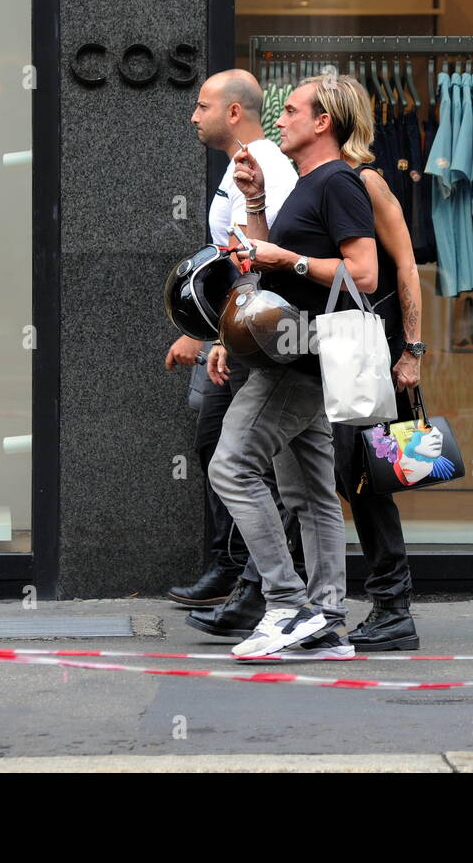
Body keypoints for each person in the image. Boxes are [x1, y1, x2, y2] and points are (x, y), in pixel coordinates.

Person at [189, 76, 427, 650]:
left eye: (291, 110)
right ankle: (323, 618)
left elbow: (364, 274)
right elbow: (266, 265)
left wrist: (287, 258)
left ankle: (287, 605)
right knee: (313, 493)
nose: (281, 119)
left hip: (301, 354)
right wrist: (252, 204)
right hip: (296, 347)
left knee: (231, 466)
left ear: (323, 122)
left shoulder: (341, 182)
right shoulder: (307, 183)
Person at [163, 70, 297, 608]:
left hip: (250, 333)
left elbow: (253, 262)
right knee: (216, 445)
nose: (194, 116)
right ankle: (232, 570)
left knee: (237, 455)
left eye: (203, 106)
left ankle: (250, 579)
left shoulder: (261, 166)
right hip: (232, 330)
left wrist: (213, 338)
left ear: (234, 112)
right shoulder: (241, 166)